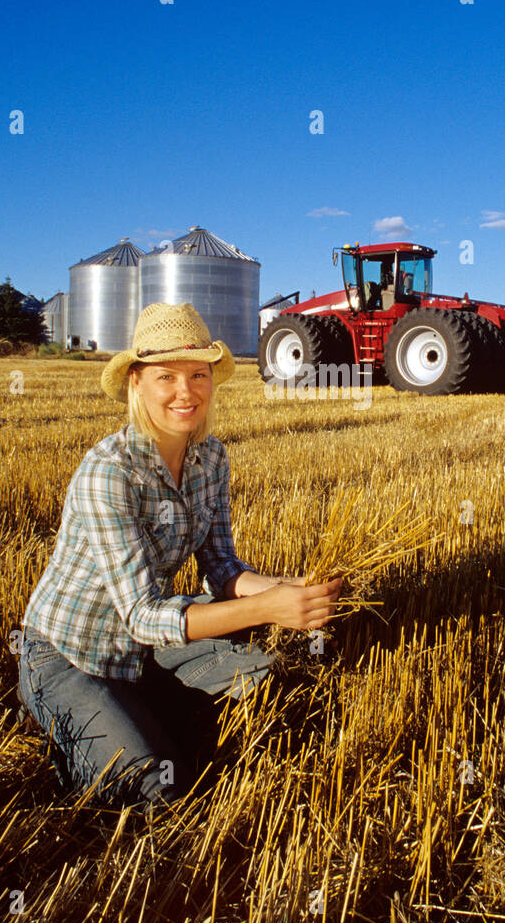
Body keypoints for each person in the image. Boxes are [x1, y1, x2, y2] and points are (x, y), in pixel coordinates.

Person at [18, 301, 344, 809]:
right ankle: (60, 710)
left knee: (267, 688)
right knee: (155, 792)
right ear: (136, 385)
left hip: (141, 650)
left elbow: (223, 568)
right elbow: (143, 616)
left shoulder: (211, 459)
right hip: (69, 656)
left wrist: (289, 590)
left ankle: (137, 708)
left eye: (198, 374)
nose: (185, 392)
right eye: (165, 376)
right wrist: (267, 610)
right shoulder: (109, 472)